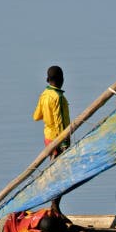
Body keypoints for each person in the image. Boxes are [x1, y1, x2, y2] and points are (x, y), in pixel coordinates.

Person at [33, 65, 71, 215]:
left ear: (47, 80)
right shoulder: (58, 98)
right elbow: (60, 122)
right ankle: (55, 206)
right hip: (58, 140)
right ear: (62, 80)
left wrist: (46, 114)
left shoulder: (44, 95)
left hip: (48, 138)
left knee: (55, 171)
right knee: (60, 174)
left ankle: (54, 206)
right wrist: (64, 143)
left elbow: (36, 116)